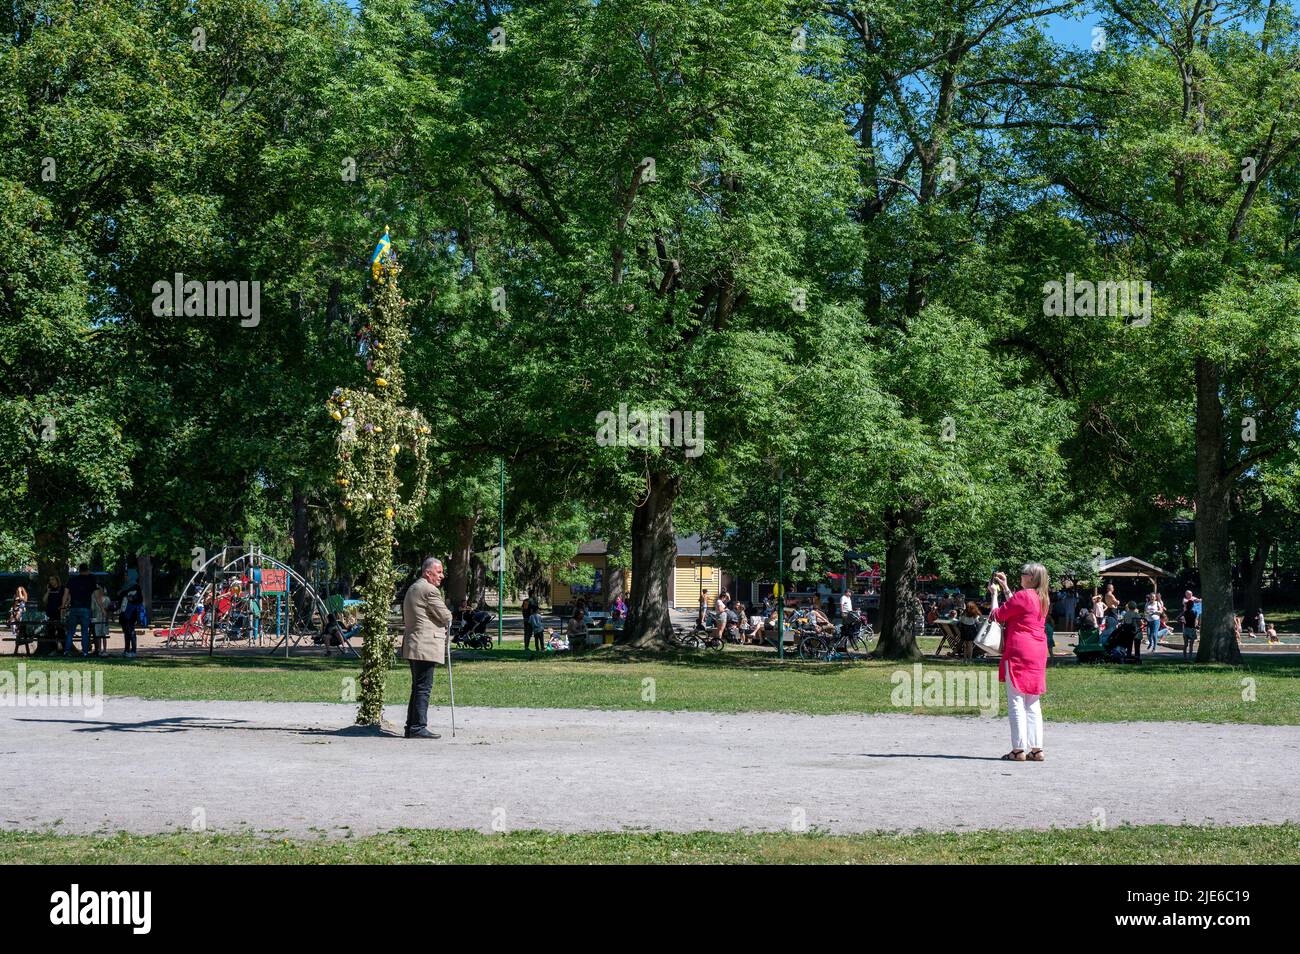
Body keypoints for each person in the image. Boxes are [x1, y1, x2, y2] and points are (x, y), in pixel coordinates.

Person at [989, 564, 1050, 762]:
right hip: (1038, 652)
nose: (1020, 576)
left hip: (1019, 651)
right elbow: (1018, 605)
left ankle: (1018, 749)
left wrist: (994, 595)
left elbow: (997, 616)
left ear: (1031, 578)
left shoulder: (1024, 596)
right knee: (1032, 701)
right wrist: (1006, 588)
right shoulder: (1043, 598)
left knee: (1016, 700)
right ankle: (1037, 749)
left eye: (1023, 574)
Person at [400, 557, 452, 740]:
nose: (442, 576)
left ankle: (411, 726)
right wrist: (447, 618)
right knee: (423, 687)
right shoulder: (430, 590)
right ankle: (417, 726)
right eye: (438, 572)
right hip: (425, 645)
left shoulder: (414, 587)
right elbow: (446, 616)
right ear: (427, 572)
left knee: (418, 687)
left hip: (414, 644)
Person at [64, 564, 97, 657]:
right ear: (87, 570)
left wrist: (63, 606)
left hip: (73, 608)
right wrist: (102, 608)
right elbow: (96, 595)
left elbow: (65, 594)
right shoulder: (91, 580)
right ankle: (85, 652)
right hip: (85, 608)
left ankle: (66, 651)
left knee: (71, 631)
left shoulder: (72, 580)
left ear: (79, 570)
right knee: (84, 632)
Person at [120, 589, 144, 658]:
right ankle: (127, 650)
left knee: (131, 634)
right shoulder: (125, 598)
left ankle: (133, 651)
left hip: (130, 619)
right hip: (125, 618)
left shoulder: (134, 602)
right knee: (127, 635)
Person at [91, 584, 113, 656]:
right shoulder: (94, 599)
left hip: (103, 619)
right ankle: (100, 650)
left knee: (103, 635)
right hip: (97, 619)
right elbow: (92, 609)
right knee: (98, 635)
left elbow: (110, 609)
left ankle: (104, 650)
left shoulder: (107, 599)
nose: (99, 590)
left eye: (100, 589)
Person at [1181, 591, 1200, 660]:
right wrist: (1197, 625)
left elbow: (1178, 618)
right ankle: (1190, 657)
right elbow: (1196, 620)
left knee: (1185, 644)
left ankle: (1185, 657)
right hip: (1192, 629)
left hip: (1186, 629)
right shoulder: (1195, 612)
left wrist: (1183, 621)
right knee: (1191, 645)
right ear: (1193, 606)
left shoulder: (1185, 612)